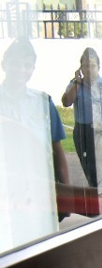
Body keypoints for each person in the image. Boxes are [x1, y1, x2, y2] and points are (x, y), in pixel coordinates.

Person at [2, 38, 68, 185]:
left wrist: (66, 194)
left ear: (33, 69)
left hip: (40, 187)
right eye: (15, 64)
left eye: (27, 65)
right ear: (4, 64)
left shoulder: (44, 103)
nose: (21, 70)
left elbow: (57, 150)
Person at [61, 47, 102, 187]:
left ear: (98, 67)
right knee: (89, 170)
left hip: (101, 131)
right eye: (85, 66)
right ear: (80, 68)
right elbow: (66, 102)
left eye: (92, 66)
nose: (89, 70)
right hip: (83, 131)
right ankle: (94, 193)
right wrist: (77, 83)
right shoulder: (75, 85)